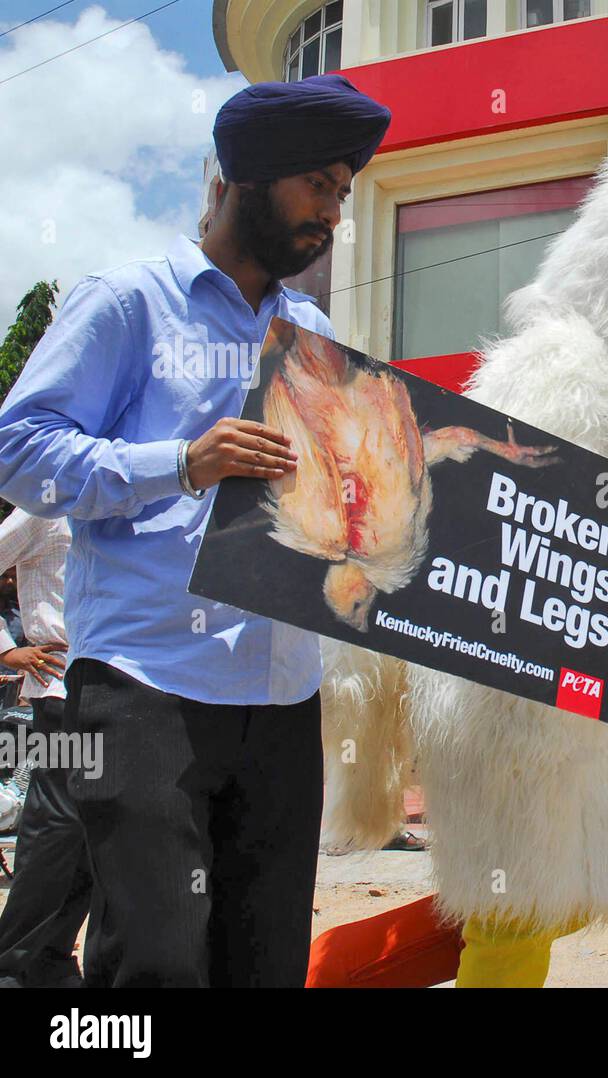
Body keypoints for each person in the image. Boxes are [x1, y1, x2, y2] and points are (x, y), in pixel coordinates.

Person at [0, 75, 391, 987]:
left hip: (283, 691)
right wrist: (177, 463)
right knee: (159, 963)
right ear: (244, 180)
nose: (331, 213)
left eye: (342, 192)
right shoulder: (129, 302)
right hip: (146, 685)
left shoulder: (314, 335)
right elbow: (18, 448)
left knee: (263, 963)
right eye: (316, 186)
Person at [0, 508, 86, 987]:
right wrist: (6, 649)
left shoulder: (121, 502)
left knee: (99, 829)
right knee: (57, 825)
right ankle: (11, 962)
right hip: (60, 690)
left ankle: (51, 954)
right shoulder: (44, 510)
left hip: (117, 686)